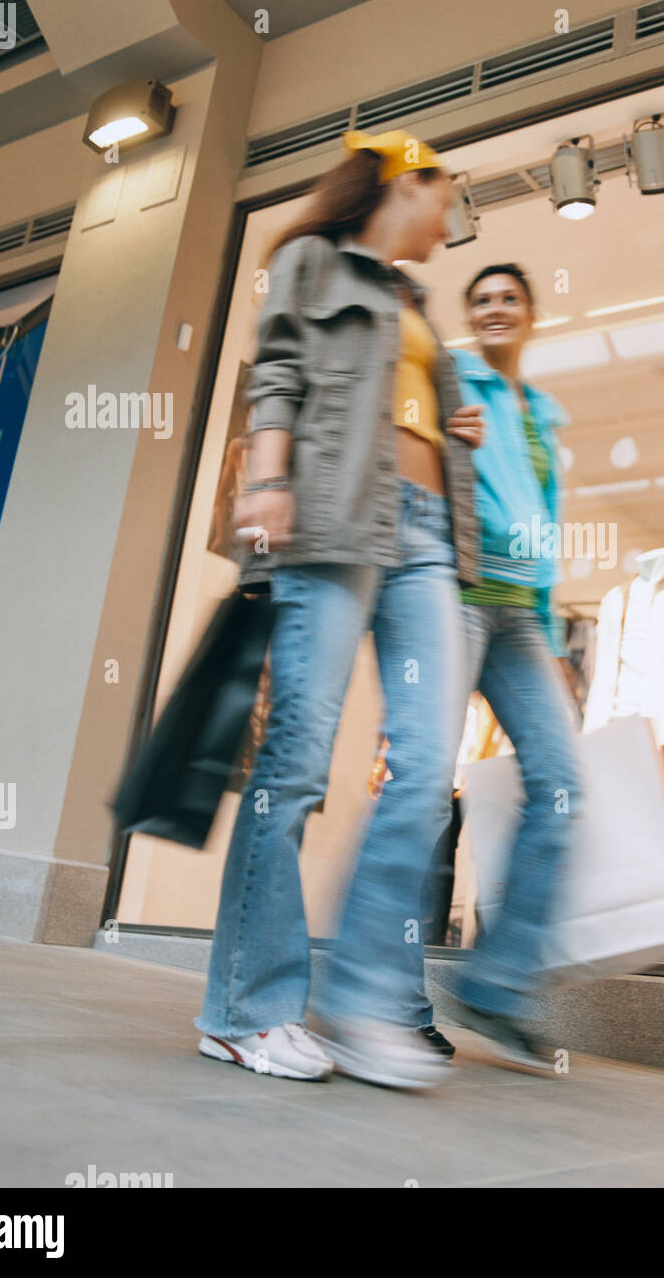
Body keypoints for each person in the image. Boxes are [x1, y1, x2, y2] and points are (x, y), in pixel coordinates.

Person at [195, 129, 484, 1091]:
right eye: (448, 194)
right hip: (335, 520)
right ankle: (246, 1009)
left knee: (424, 769)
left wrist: (451, 424)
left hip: (429, 536)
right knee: (298, 767)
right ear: (408, 181)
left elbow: (396, 404)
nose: (454, 218)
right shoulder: (311, 260)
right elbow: (277, 372)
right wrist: (266, 482)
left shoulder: (416, 304)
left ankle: (362, 1004)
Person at [414, 263, 583, 1070]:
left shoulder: (545, 413)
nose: (493, 309)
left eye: (508, 298)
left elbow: (544, 526)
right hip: (457, 593)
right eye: (479, 299)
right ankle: (376, 985)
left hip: (520, 617)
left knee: (562, 783)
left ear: (530, 313)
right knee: (416, 782)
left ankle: (497, 983)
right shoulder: (454, 378)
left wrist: (551, 633)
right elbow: (417, 460)